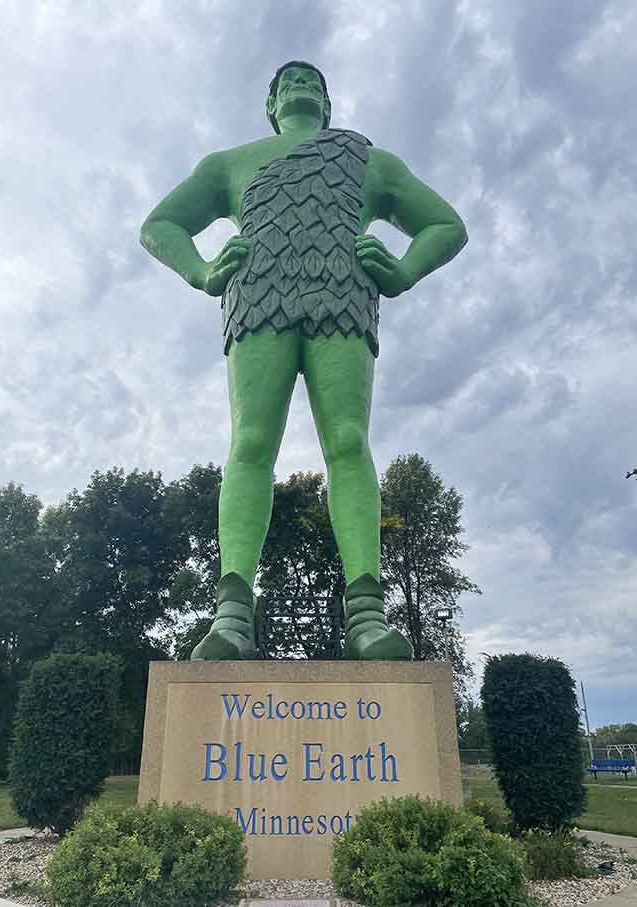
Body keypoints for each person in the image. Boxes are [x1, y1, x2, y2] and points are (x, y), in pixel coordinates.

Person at [141, 61, 468, 661]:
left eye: (313, 82)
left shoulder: (372, 162)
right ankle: (232, 615)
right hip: (257, 297)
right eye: (288, 82)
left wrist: (401, 272)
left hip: (343, 298)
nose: (300, 86)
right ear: (269, 104)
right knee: (250, 443)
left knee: (347, 440)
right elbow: (159, 224)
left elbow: (447, 225)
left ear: (328, 102)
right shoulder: (226, 163)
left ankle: (367, 613)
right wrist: (202, 272)